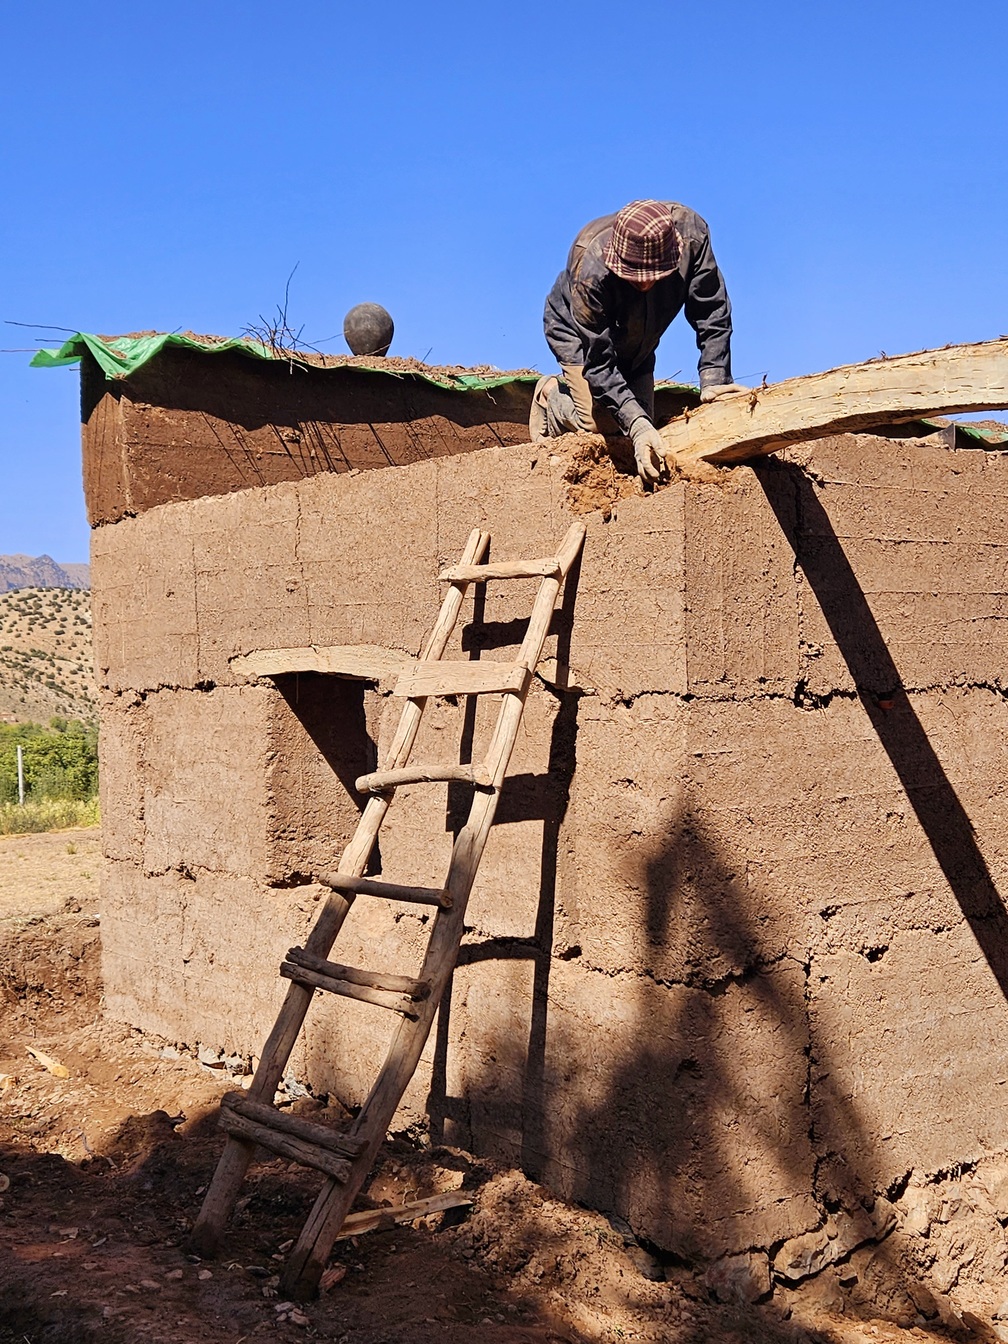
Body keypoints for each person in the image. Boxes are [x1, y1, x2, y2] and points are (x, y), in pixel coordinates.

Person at [531, 199, 746, 484]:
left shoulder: (691, 236)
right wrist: (636, 424)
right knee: (603, 426)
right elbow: (600, 366)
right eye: (633, 277)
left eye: (652, 277)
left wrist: (714, 378)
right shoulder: (591, 272)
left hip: (639, 340)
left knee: (645, 433)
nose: (644, 285)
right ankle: (551, 397)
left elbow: (711, 309)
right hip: (580, 337)